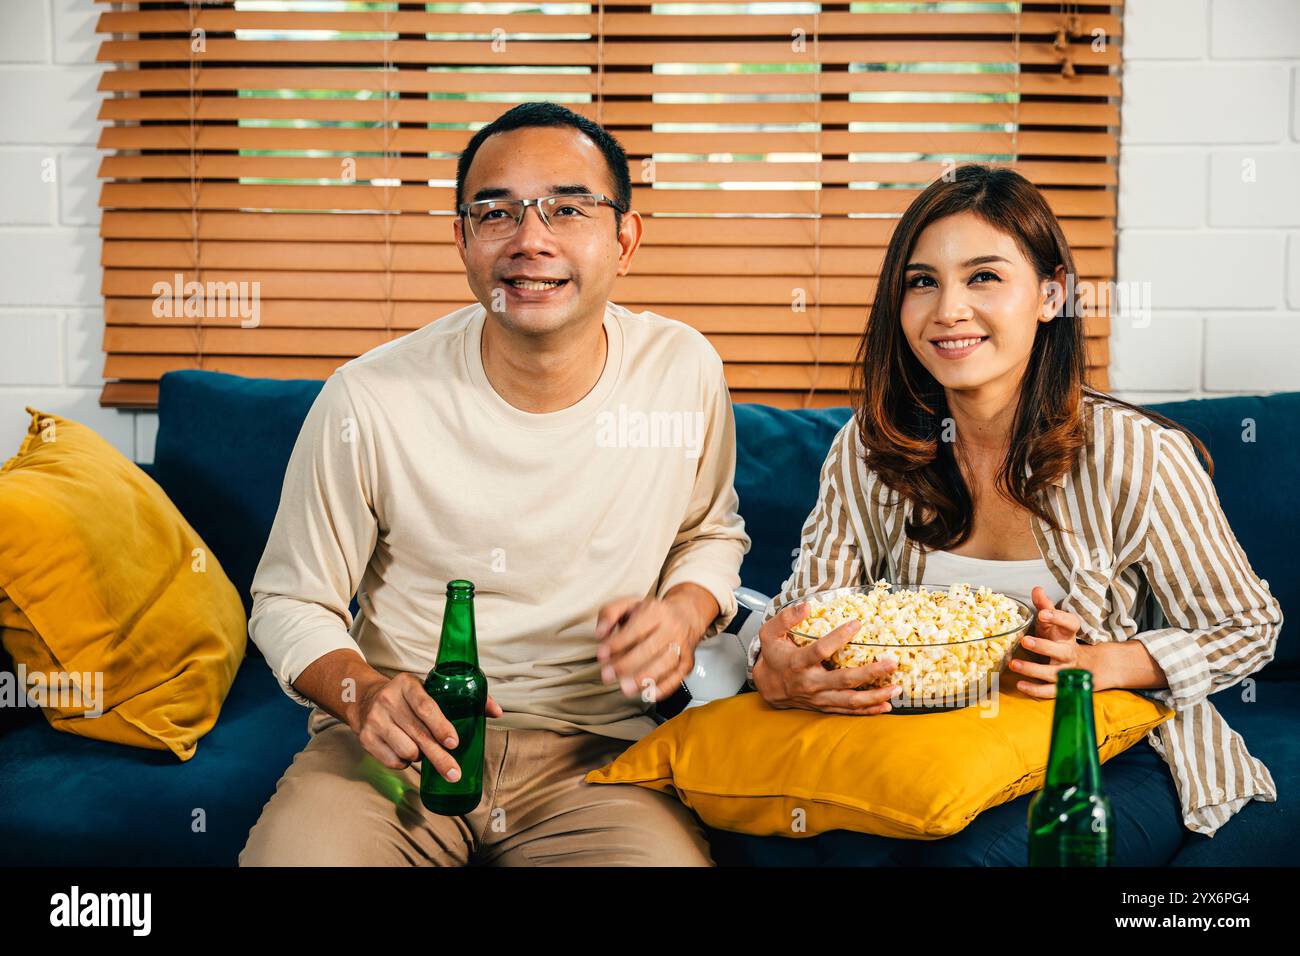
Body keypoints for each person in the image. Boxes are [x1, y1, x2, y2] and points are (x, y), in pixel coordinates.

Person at [239, 102, 750, 866]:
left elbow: (709, 533)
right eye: (495, 213)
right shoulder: (368, 397)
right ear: (463, 241)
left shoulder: (682, 371)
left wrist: (682, 614)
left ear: (625, 238)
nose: (531, 240)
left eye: (568, 209)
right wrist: (364, 693)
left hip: (603, 760)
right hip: (397, 754)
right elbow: (288, 599)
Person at [731, 164, 1281, 866]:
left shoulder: (1136, 455)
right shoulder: (869, 451)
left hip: (1101, 752)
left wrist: (1102, 663)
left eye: (984, 277)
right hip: (918, 748)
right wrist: (778, 663)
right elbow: (805, 613)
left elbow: (1249, 628)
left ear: (1051, 295)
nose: (948, 310)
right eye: (922, 281)